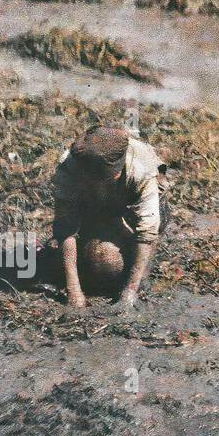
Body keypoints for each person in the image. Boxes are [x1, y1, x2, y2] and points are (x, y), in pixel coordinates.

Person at [52, 125, 165, 308]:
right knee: (100, 264)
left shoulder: (142, 168)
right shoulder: (69, 167)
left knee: (116, 269)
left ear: (118, 172)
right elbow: (66, 227)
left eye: (103, 181)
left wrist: (130, 292)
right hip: (94, 208)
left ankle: (137, 271)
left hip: (130, 206)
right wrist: (73, 291)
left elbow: (147, 230)